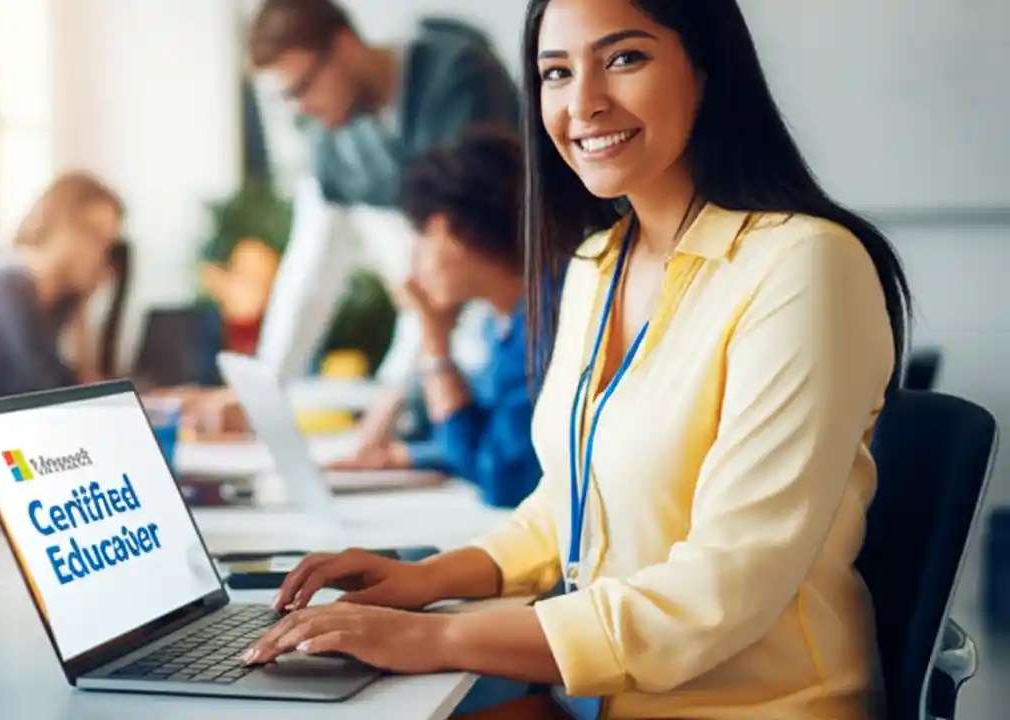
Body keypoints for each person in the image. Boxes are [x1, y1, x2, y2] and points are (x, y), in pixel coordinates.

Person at [239, 1, 912, 718]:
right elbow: (569, 503)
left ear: (708, 69)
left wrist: (434, 637)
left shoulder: (802, 266)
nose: (583, 103)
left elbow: (719, 591)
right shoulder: (598, 262)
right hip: (610, 702)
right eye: (555, 73)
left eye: (625, 58)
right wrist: (420, 579)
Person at [187, 0, 521, 447]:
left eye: (303, 87)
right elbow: (310, 271)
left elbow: (450, 263)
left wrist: (387, 404)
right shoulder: (331, 134)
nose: (301, 110)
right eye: (287, 98)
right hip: (438, 359)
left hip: (513, 345)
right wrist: (260, 394)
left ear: (345, 45)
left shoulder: (458, 80)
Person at [330, 128, 540, 509]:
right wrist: (409, 457)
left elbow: (503, 478)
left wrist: (434, 342)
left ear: (458, 228)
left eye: (424, 233)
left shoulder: (545, 323)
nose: (415, 259)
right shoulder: (503, 321)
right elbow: (487, 437)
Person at [0, 172, 124, 403]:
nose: (100, 253)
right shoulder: (8, 281)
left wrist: (83, 309)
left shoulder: (61, 298)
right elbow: (41, 387)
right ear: (56, 223)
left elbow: (86, 382)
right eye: (92, 234)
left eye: (107, 243)